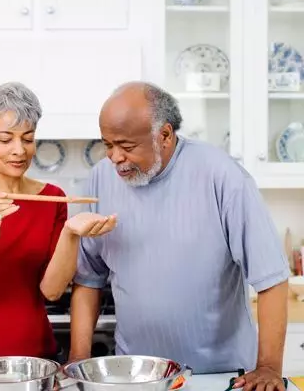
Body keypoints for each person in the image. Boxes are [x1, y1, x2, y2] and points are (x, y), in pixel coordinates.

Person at [69, 81, 289, 391]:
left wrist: (268, 367)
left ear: (165, 135)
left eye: (127, 146)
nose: (115, 157)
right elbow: (87, 280)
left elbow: (271, 279)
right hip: (134, 376)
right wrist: (78, 360)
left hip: (217, 375)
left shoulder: (223, 177)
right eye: (107, 144)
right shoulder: (99, 180)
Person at [0, 81, 117, 371]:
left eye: (28, 138)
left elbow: (51, 291)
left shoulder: (52, 197)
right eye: (5, 139)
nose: (19, 150)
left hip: (37, 359)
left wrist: (70, 234)